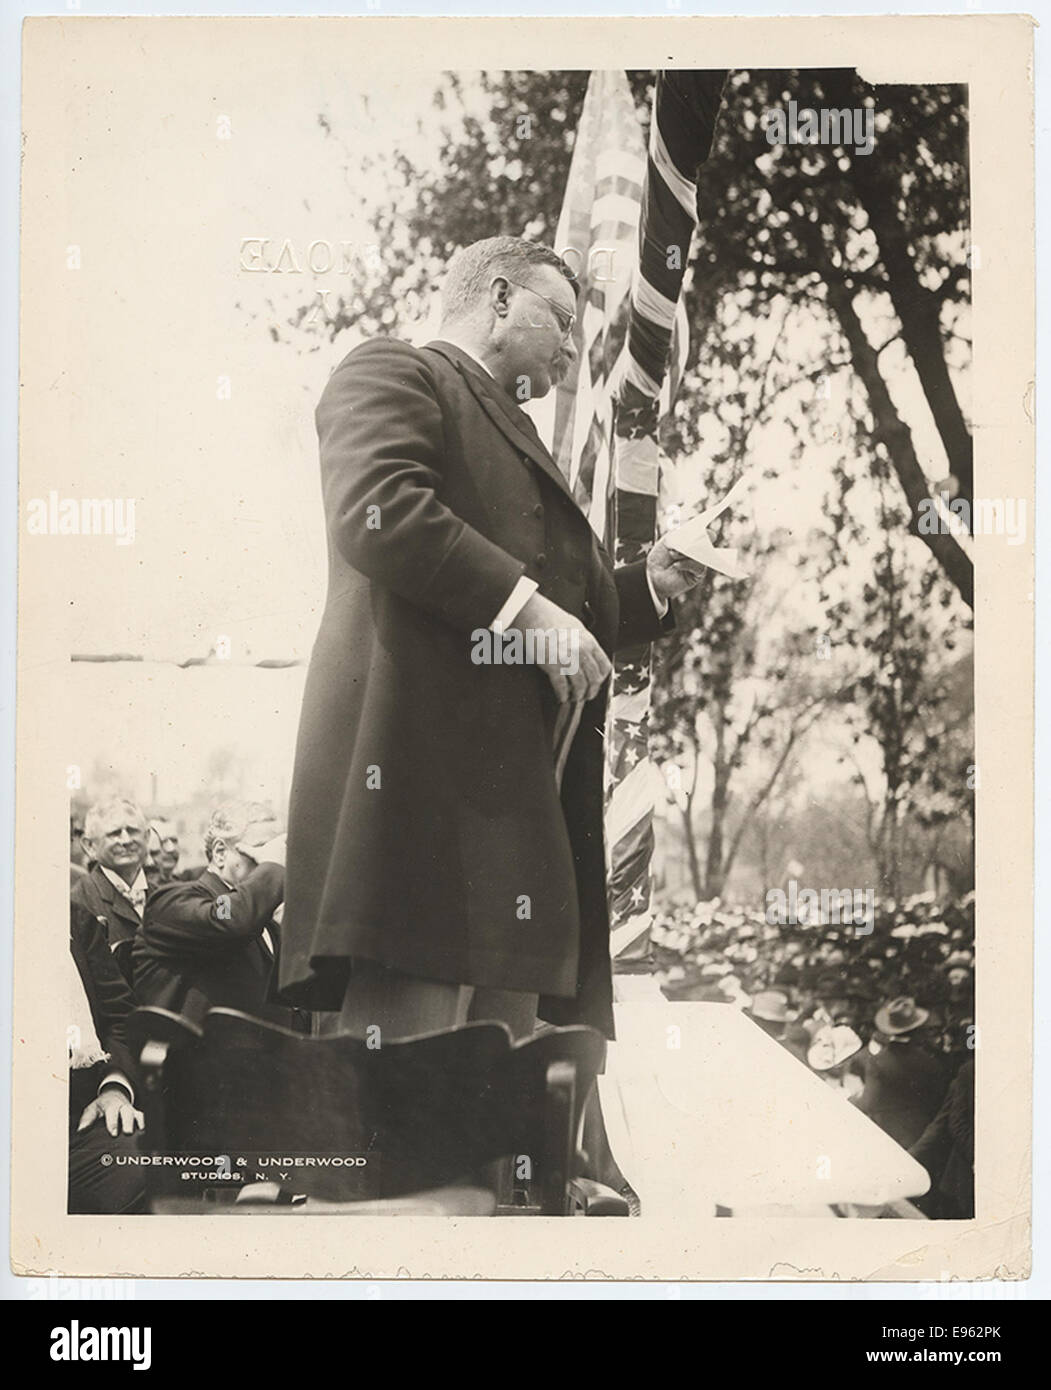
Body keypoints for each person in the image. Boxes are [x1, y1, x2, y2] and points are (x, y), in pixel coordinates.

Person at [277, 236, 706, 1043]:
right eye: (564, 320)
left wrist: (652, 581)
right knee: (404, 1097)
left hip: (508, 818)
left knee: (496, 1090)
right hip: (412, 794)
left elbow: (558, 602)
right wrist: (532, 615)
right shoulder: (393, 370)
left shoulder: (516, 434)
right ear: (500, 298)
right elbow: (382, 512)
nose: (575, 347)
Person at [135, 804, 307, 1031]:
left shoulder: (262, 920)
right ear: (220, 852)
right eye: (261, 850)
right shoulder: (170, 901)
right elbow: (230, 920)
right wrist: (272, 865)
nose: (277, 864)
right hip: (194, 1060)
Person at [69, 902, 146, 1214]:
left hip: (79, 1115)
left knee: (151, 1162)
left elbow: (120, 1016)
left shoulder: (73, 918)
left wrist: (114, 1087)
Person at [71, 797, 151, 985]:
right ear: (90, 846)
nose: (126, 840)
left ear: (147, 837)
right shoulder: (78, 902)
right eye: (114, 833)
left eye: (132, 831)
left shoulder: (164, 895)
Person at [854, 996, 948, 1149]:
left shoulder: (878, 1062)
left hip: (888, 1135)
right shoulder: (930, 1061)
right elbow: (937, 1101)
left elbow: (869, 1103)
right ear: (917, 1027)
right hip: (921, 1136)